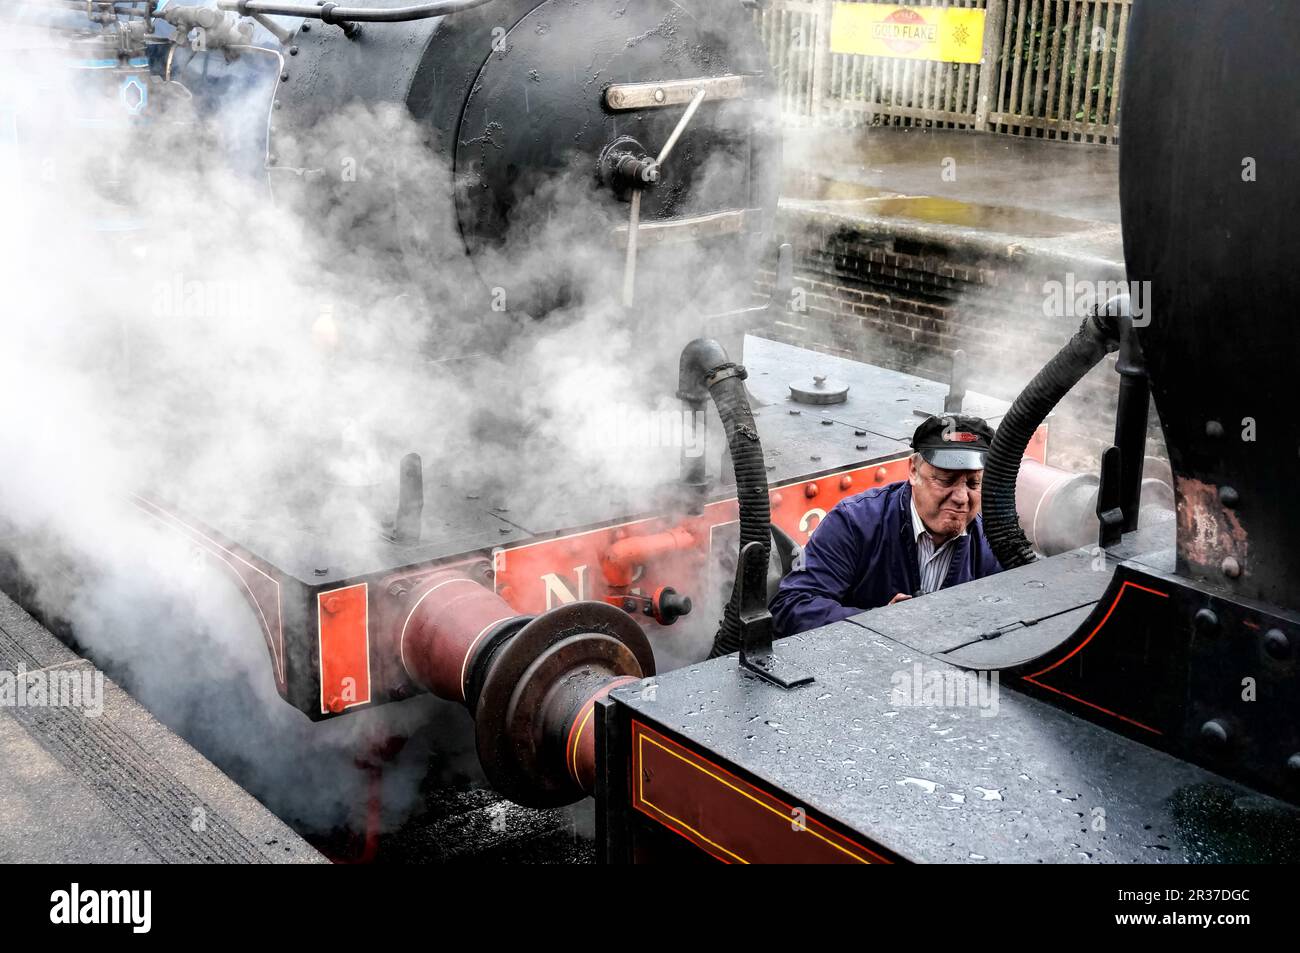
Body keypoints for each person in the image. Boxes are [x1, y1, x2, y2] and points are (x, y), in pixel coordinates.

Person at [770, 413, 1004, 637]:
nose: (962, 497)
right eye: (946, 480)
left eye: (973, 483)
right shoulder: (854, 523)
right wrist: (878, 623)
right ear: (913, 470)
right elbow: (792, 605)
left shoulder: (992, 541)